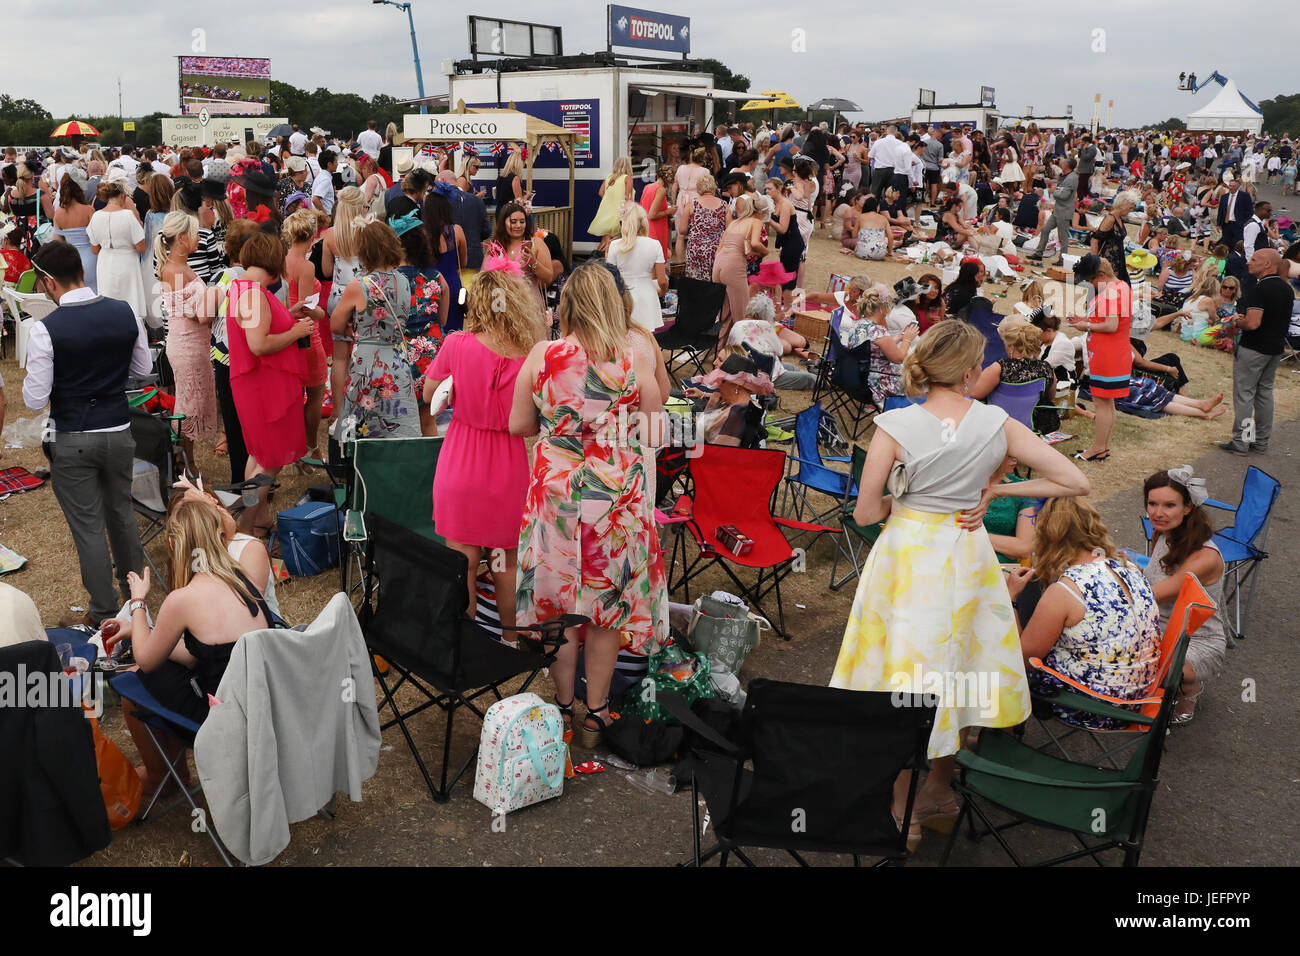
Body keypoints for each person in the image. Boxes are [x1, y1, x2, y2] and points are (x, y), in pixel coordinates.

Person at [832, 319, 1089, 845]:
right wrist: (995, 493)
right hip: (965, 556)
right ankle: (940, 791)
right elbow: (1075, 479)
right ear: (972, 371)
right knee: (958, 672)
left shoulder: (895, 424)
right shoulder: (997, 424)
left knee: (901, 677)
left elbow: (863, 512)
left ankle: (899, 805)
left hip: (907, 556)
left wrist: (904, 500)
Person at [511, 263, 666, 748]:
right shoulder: (632, 357)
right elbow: (657, 429)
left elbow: (519, 425)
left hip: (557, 497)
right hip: (615, 499)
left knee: (561, 608)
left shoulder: (542, 355)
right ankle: (596, 714)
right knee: (607, 610)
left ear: (568, 305)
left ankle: (560, 709)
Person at [22, 241, 151, 627]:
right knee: (122, 515)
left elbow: (34, 399)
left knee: (89, 527)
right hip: (117, 429)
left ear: (48, 283)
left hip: (73, 435)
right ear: (80, 268)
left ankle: (105, 611)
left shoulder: (46, 329)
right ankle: (135, 598)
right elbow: (143, 368)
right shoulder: (123, 311)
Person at [110, 499, 272, 794]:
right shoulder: (245, 581)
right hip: (266, 706)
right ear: (220, 537)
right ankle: (170, 772)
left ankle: (163, 777)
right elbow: (194, 654)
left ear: (173, 545)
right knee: (164, 672)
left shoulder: (183, 599)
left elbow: (146, 660)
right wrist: (138, 629)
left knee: (135, 679)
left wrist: (138, 602)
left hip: (226, 720)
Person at [422, 260, 544, 631]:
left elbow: (429, 394)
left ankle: (465, 641)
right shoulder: (529, 356)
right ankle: (509, 639)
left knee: (463, 565)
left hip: (460, 461)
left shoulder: (457, 344)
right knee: (504, 564)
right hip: (507, 468)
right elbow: (533, 421)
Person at [1004, 497, 1160, 730]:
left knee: (994, 654)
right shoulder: (1128, 567)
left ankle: (998, 738)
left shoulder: (1066, 590)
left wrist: (1010, 599)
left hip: (1093, 707)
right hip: (1140, 696)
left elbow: (1021, 660)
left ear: (1047, 536)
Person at [225, 232, 314, 534]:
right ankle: (246, 528)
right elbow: (259, 344)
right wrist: (297, 331)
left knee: (259, 455)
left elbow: (257, 327)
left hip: (257, 385)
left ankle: (258, 518)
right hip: (264, 388)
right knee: (269, 461)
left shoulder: (243, 287)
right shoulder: (254, 294)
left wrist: (287, 317)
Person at [1141, 467, 1229, 725]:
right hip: (1156, 621)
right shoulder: (1163, 532)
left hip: (1196, 635)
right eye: (1152, 503)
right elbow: (1153, 575)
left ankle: (1190, 687)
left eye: (1169, 505)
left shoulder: (1203, 557)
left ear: (1188, 507)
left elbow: (1154, 594)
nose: (1158, 513)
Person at [331, 221, 420, 439]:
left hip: (368, 363)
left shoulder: (359, 286)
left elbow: (335, 325)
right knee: (397, 427)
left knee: (362, 428)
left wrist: (354, 327)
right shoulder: (404, 282)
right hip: (398, 360)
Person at [156, 211, 219, 465]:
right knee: (188, 405)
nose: (199, 239)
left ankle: (185, 461)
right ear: (181, 238)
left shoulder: (181, 265)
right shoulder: (175, 270)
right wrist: (218, 293)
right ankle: (185, 463)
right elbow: (198, 315)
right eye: (194, 234)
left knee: (192, 401)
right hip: (187, 342)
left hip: (194, 342)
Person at [1221, 248, 1293, 454]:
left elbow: (1253, 323)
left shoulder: (1261, 289)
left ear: (1267, 264)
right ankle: (1261, 441)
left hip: (1254, 348)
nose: (1248, 262)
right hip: (1275, 348)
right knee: (1264, 394)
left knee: (1245, 394)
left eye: (1254, 259)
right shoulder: (1286, 288)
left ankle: (1241, 442)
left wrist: (1237, 321)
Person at [1067, 255, 1131, 461]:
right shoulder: (1120, 287)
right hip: (1112, 353)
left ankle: (1097, 448)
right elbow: (1106, 319)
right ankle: (1102, 447)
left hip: (1107, 354)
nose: (1092, 284)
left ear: (1102, 275)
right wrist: (1084, 319)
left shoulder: (1112, 293)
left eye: (1093, 280)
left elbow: (1111, 326)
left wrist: (1084, 326)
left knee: (1102, 403)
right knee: (1107, 403)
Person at [281, 209, 330, 460]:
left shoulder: (281, 259)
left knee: (294, 396)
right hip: (307, 336)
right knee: (314, 395)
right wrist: (324, 312)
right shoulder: (306, 266)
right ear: (312, 235)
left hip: (286, 332)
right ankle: (309, 448)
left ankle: (296, 447)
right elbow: (306, 308)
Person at [840, 283, 917, 408]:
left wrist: (898, 338)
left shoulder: (858, 324)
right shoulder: (879, 332)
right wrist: (907, 340)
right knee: (916, 375)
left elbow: (874, 348)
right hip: (877, 385)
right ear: (882, 308)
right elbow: (899, 358)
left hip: (855, 378)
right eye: (888, 307)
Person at [86, 179, 146, 317]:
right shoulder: (128, 216)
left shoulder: (96, 216)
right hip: (127, 261)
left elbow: (94, 249)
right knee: (131, 303)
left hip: (105, 262)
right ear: (122, 196)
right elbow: (141, 247)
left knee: (108, 303)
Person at [710, 194, 764, 341]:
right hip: (733, 266)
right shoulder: (755, 222)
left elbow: (719, 249)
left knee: (724, 312)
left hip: (719, 264)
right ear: (759, 212)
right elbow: (755, 244)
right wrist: (765, 252)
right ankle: (743, 348)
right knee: (741, 311)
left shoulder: (734, 223)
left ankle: (719, 347)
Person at [606, 204, 667, 333]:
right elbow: (662, 280)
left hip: (623, 296)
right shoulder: (655, 244)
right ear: (644, 222)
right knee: (646, 339)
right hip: (647, 295)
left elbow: (609, 277)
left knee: (624, 338)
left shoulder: (614, 245)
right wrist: (663, 291)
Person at [493, 201, 554, 311]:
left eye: (522, 222)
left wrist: (533, 262)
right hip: (500, 304)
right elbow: (484, 276)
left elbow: (549, 278)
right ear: (503, 222)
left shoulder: (536, 244)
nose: (518, 226)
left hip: (528, 305)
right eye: (513, 221)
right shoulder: (496, 245)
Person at [422, 183, 466, 333]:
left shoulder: (422, 235)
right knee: (454, 332)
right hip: (453, 286)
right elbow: (463, 262)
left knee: (432, 331)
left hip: (430, 286)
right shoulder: (457, 231)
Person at [1025, 158, 1077, 266]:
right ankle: (1039, 253)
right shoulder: (1065, 176)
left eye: (1064, 162)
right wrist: (1056, 190)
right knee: (1045, 229)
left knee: (1063, 237)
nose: (1061, 163)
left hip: (1064, 211)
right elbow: (1061, 191)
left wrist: (1054, 191)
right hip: (1058, 210)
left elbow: (1064, 195)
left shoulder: (1072, 178)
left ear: (1068, 165)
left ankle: (1063, 259)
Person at [52, 173, 96, 292]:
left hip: (70, 259)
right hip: (91, 257)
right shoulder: (88, 210)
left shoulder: (59, 213)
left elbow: (57, 242)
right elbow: (96, 237)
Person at [682, 172, 727, 282]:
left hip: (696, 248)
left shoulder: (692, 204)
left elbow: (682, 230)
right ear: (714, 187)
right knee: (715, 281)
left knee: (696, 282)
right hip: (717, 248)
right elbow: (729, 230)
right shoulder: (724, 205)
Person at [589, 156, 635, 253]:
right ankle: (607, 262)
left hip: (605, 213)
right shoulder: (627, 178)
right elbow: (628, 198)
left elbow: (601, 192)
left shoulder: (609, 177)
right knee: (616, 242)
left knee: (605, 241)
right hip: (619, 214)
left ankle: (596, 261)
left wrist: (610, 201)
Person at [639, 163, 674, 261]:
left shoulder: (647, 187)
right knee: (658, 260)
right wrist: (669, 211)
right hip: (656, 229)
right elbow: (652, 215)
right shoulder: (661, 190)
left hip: (645, 228)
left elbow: (643, 209)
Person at [853, 195, 893, 261]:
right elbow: (890, 237)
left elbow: (854, 235)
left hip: (861, 251)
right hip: (879, 254)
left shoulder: (861, 217)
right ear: (877, 207)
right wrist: (889, 252)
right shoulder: (883, 218)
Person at [311, 149, 338, 216]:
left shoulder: (322, 176)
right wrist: (325, 216)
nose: (337, 164)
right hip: (327, 214)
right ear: (329, 164)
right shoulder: (325, 179)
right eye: (336, 162)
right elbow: (315, 199)